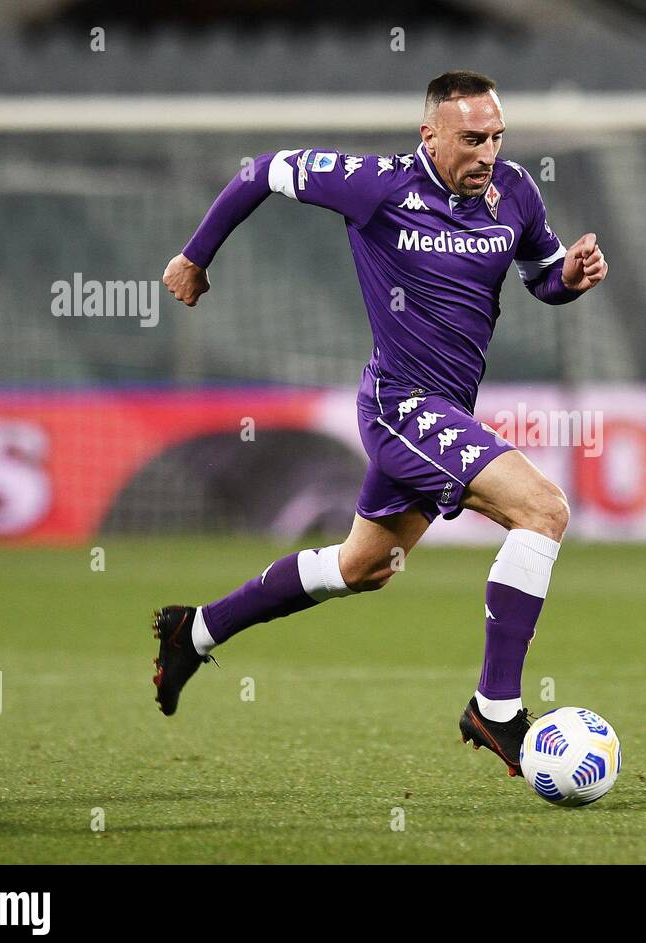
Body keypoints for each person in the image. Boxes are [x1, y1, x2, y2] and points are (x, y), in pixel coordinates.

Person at [155, 70, 608, 778]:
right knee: (544, 510)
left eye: (496, 136)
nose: (487, 151)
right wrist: (194, 256)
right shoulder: (376, 185)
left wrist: (570, 278)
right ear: (429, 133)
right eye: (471, 138)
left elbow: (542, 275)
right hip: (400, 405)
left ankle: (196, 628)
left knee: (361, 567)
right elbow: (263, 170)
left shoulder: (515, 191)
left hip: (448, 411)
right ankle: (495, 709)